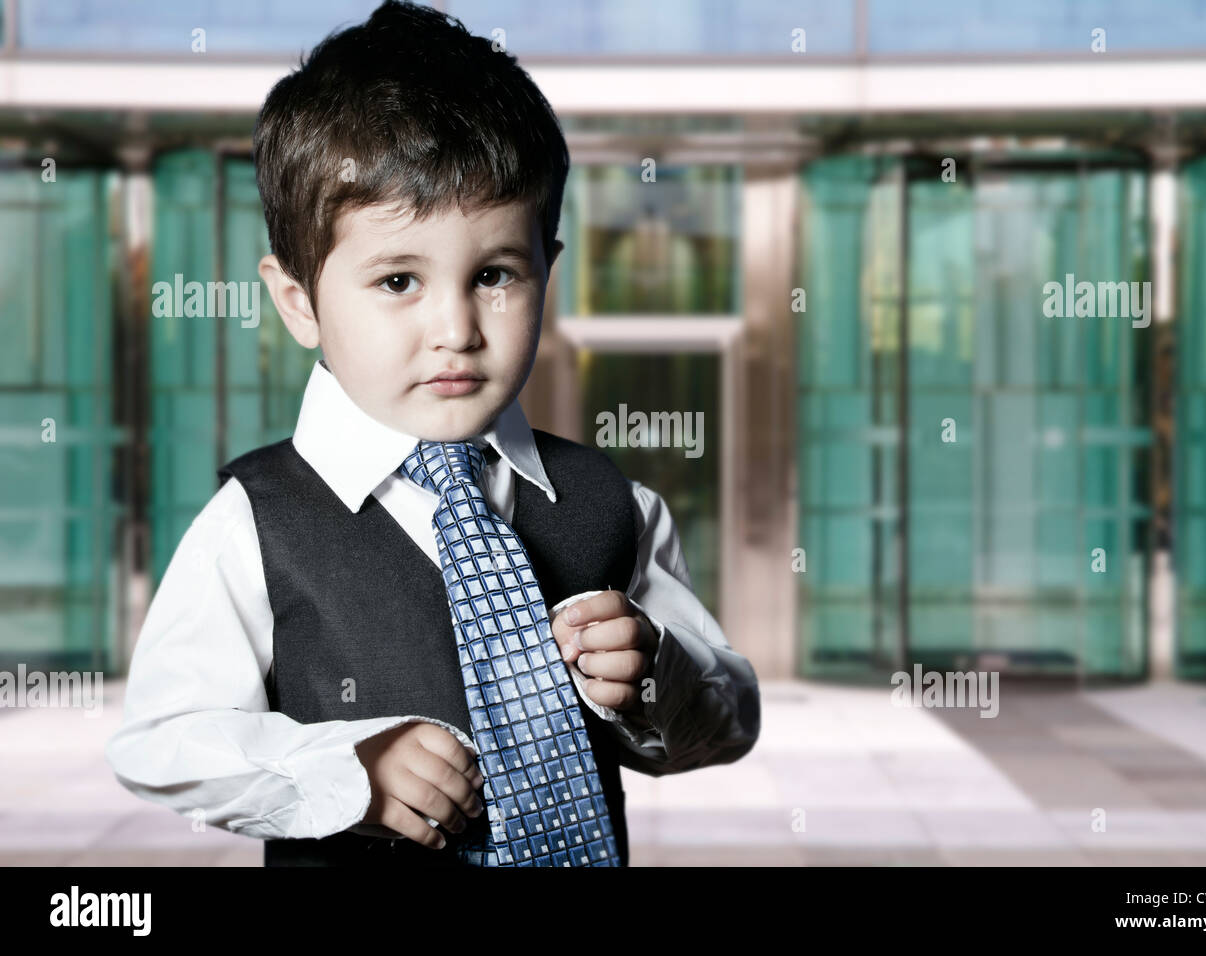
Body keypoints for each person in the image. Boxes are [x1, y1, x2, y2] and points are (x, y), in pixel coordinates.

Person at [105, 0, 760, 867]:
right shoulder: (252, 524)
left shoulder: (616, 506)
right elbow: (160, 740)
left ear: (546, 272)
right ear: (299, 301)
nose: (456, 327)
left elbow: (731, 718)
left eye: (493, 274)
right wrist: (344, 769)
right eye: (398, 281)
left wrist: (657, 676)